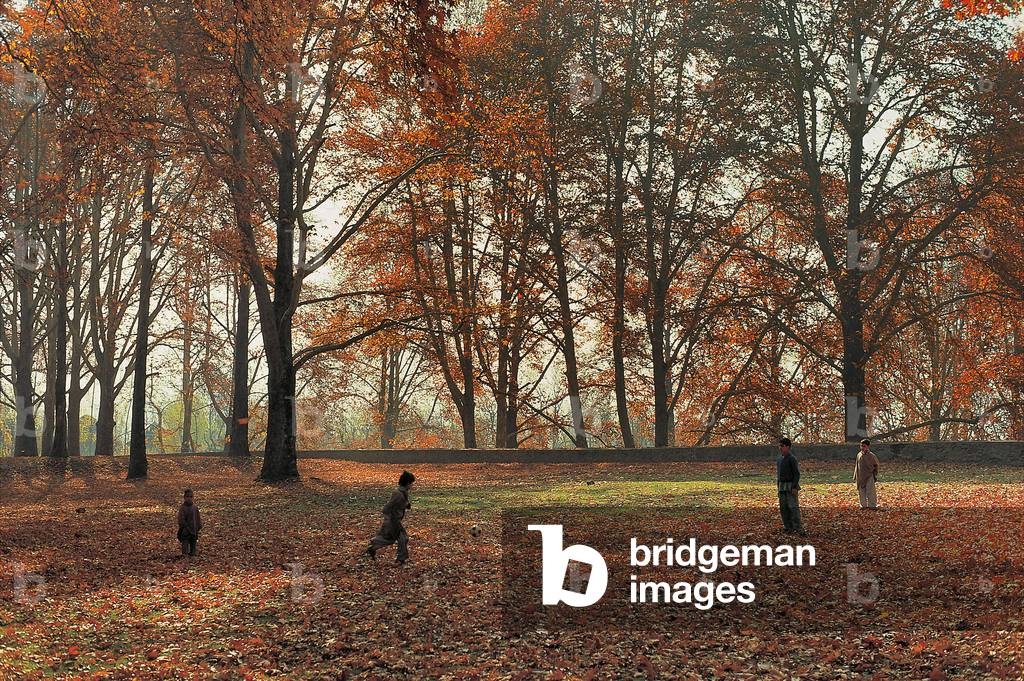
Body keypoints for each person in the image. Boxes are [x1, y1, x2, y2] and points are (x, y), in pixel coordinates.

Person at [367, 470, 415, 564]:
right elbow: (388, 506)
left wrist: (406, 505)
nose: (412, 486)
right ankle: (401, 559)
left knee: (390, 539)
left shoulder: (403, 492)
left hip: (395, 520)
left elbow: (400, 503)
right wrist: (388, 518)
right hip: (393, 520)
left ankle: (373, 547)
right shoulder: (398, 493)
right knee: (402, 538)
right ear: (407, 483)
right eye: (411, 483)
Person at [776, 437, 806, 535]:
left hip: (790, 485)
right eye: (779, 446)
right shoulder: (779, 459)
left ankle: (797, 527)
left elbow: (796, 474)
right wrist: (778, 487)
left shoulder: (792, 459)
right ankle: (787, 526)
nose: (780, 448)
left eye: (782, 446)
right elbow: (778, 474)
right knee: (783, 507)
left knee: (793, 507)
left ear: (788, 447)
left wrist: (794, 487)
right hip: (782, 486)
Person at [854, 438, 879, 509]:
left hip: (869, 475)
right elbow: (857, 465)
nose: (862, 448)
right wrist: (856, 475)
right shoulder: (859, 455)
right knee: (861, 491)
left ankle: (872, 505)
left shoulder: (871, 455)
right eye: (861, 446)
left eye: (864, 446)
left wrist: (874, 474)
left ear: (868, 447)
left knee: (870, 491)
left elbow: (876, 465)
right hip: (860, 476)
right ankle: (863, 505)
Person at [177, 488, 203, 557]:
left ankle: (192, 554)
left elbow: (198, 517)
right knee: (185, 543)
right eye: (187, 497)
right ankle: (185, 555)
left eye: (191, 497)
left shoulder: (195, 507)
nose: (189, 498)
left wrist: (199, 526)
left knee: (193, 543)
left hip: (194, 529)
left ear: (193, 497)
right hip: (186, 530)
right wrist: (184, 527)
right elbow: (181, 519)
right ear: (184, 497)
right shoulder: (182, 508)